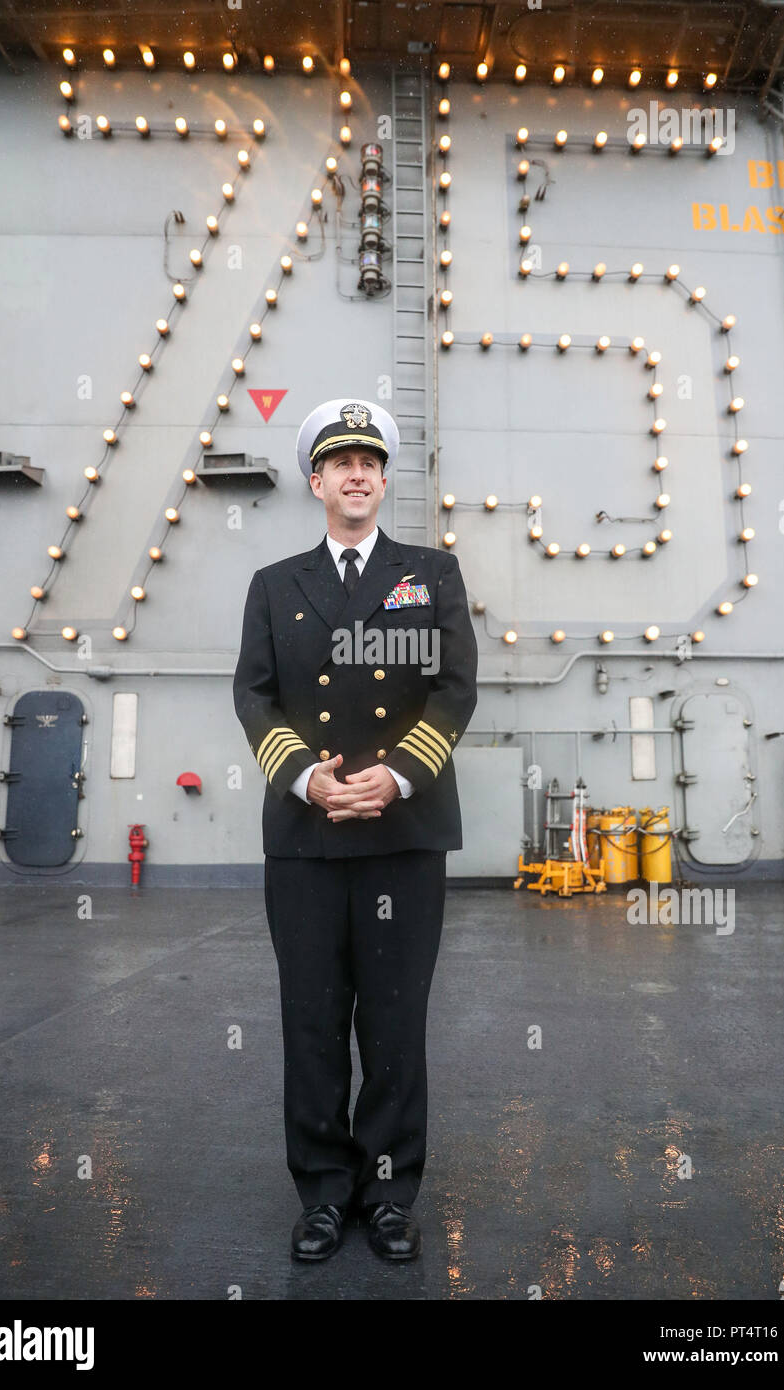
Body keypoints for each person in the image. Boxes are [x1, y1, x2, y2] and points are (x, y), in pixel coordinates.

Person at [233, 397, 478, 1260]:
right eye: (340, 463)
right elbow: (253, 696)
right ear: (316, 482)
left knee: (394, 1022)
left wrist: (398, 774)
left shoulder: (429, 574)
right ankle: (324, 1195)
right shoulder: (274, 584)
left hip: (401, 835)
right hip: (305, 839)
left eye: (369, 462)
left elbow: (452, 690)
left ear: (383, 479)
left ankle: (388, 1194)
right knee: (310, 1020)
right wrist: (307, 777)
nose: (357, 474)